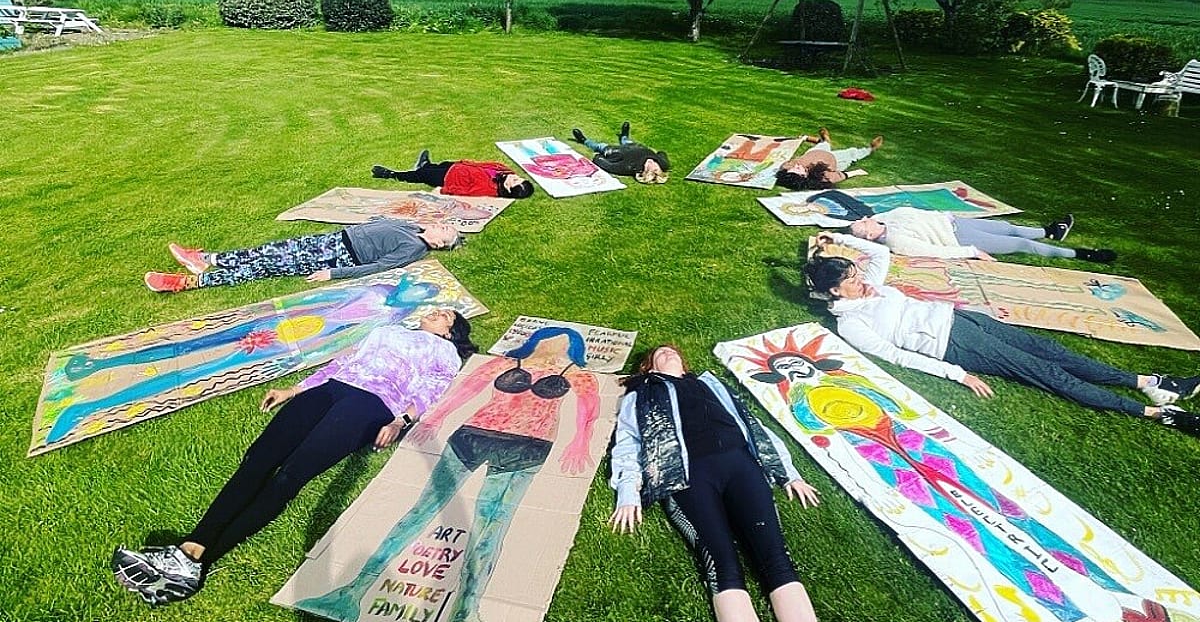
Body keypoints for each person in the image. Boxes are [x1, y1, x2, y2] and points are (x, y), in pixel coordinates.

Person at [110, 309, 478, 607]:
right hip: (334, 388)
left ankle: (192, 556)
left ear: (451, 330)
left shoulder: (444, 352)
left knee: (291, 475)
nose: (434, 312)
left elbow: (434, 387)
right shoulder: (388, 330)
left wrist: (401, 420)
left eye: (444, 314)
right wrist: (296, 389)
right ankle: (188, 557)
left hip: (374, 403)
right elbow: (344, 361)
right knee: (256, 460)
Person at [294, 326, 601, 622]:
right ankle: (351, 593)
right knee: (422, 511)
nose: (555, 346)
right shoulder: (506, 362)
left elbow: (590, 406)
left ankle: (466, 608)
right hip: (473, 435)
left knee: (492, 524)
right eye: (551, 339)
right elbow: (469, 387)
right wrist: (436, 417)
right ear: (538, 339)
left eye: (563, 342)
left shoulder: (576, 373)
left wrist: (580, 442)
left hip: (528, 446)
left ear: (572, 348)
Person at [803, 233, 1200, 435]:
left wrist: (838, 240)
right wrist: (958, 374)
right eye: (852, 280)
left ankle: (1151, 382)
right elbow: (896, 357)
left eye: (856, 273)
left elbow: (881, 254)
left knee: (1051, 349)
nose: (862, 281)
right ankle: (1160, 413)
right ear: (836, 292)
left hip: (964, 318)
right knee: (1046, 372)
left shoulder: (868, 283)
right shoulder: (851, 323)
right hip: (955, 345)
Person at [609, 344, 822, 622]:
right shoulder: (643, 393)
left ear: (684, 365)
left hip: (740, 464)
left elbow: (753, 424)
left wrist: (789, 473)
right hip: (687, 476)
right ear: (649, 368)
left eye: (673, 351)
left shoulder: (711, 384)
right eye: (660, 354)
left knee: (776, 558)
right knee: (723, 564)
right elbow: (627, 442)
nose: (669, 353)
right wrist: (628, 493)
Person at [143, 219, 461, 293]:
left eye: (446, 233)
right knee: (268, 250)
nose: (443, 226)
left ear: (439, 246)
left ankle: (187, 281)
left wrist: (331, 274)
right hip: (332, 238)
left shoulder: (415, 249)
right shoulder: (413, 225)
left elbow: (376, 267)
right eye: (446, 225)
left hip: (338, 256)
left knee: (265, 266)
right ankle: (208, 259)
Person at [849, 210, 1118, 264]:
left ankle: (1051, 232)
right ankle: (1084, 254)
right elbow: (936, 252)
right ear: (870, 236)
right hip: (958, 239)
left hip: (956, 222)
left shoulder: (887, 215)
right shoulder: (896, 241)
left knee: (1010, 227)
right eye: (862, 225)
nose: (864, 220)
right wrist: (972, 252)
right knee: (1020, 245)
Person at [372, 150, 534, 198]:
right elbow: (485, 166)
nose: (515, 177)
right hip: (457, 167)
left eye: (515, 182)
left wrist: (443, 190)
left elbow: (466, 192)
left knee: (421, 175)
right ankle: (426, 164)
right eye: (519, 178)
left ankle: (392, 174)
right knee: (437, 166)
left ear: (508, 189)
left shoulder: (490, 189)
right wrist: (465, 163)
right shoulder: (506, 172)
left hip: (448, 178)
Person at [775, 127, 883, 191]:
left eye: (793, 168)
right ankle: (870, 149)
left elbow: (785, 166)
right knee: (852, 153)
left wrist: (789, 169)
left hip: (815, 152)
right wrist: (856, 172)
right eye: (798, 169)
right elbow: (837, 177)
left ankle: (824, 139)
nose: (796, 165)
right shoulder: (821, 175)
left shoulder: (789, 168)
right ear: (804, 175)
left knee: (825, 144)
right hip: (835, 159)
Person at [571, 121, 670, 183]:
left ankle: (584, 140)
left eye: (653, 169)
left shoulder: (629, 167)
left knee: (599, 146)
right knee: (626, 140)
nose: (654, 164)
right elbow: (662, 153)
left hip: (614, 152)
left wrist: (598, 157)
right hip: (633, 146)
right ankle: (624, 135)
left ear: (645, 170)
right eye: (657, 168)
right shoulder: (663, 164)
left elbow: (609, 166)